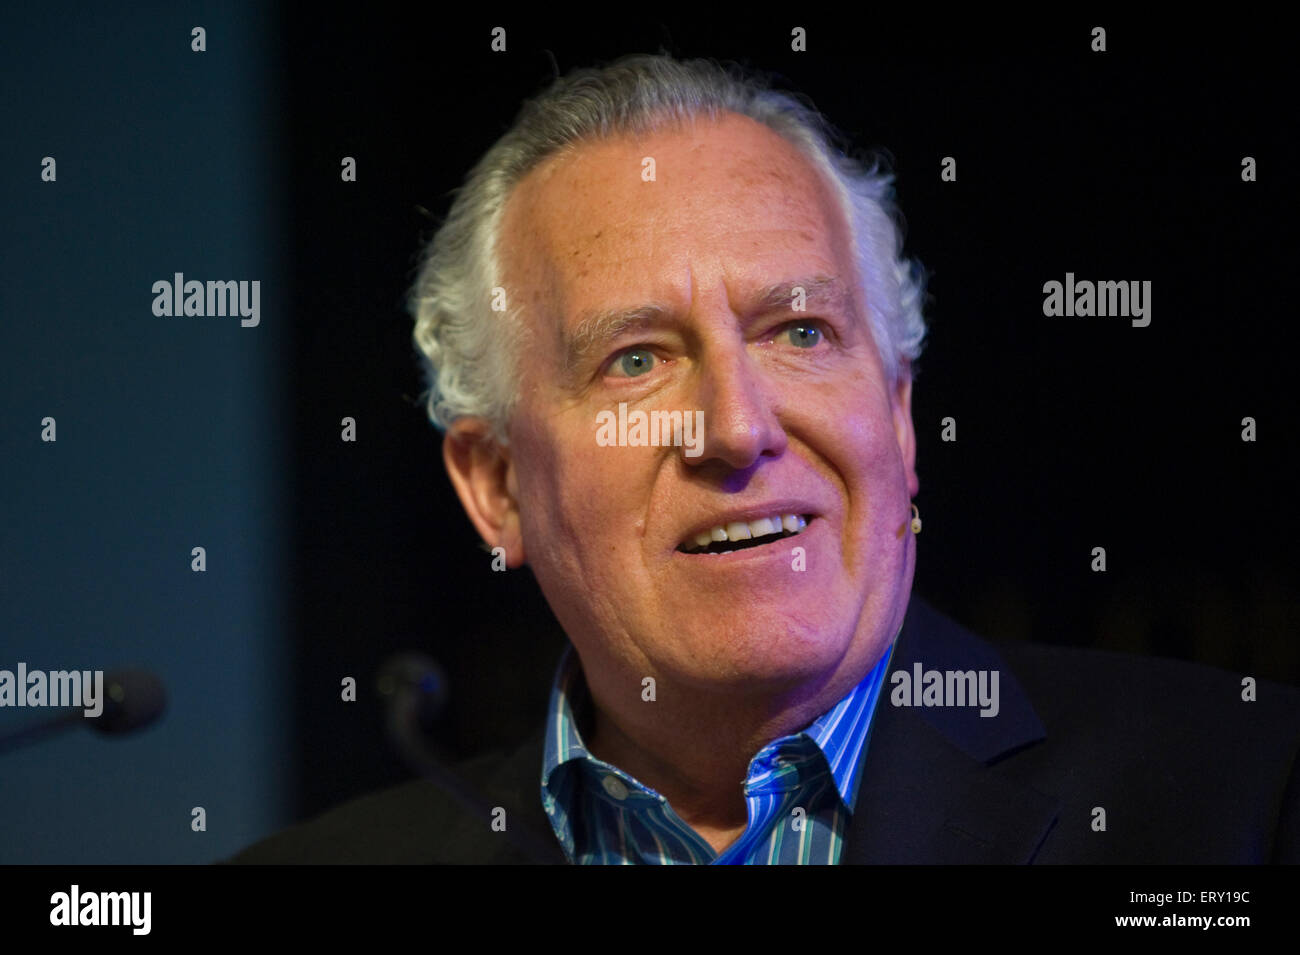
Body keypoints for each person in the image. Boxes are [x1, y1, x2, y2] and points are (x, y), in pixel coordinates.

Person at [231, 54, 1299, 865]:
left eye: (799, 333)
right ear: (497, 485)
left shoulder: (1241, 797)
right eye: (635, 358)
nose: (738, 429)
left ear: (898, 413)